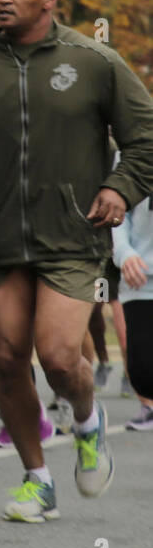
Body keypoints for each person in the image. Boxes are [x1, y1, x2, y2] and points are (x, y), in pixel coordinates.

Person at [0, 0, 153, 522]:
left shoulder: (94, 62)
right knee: (9, 359)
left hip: (73, 236)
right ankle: (37, 479)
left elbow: (146, 139)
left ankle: (88, 422)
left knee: (60, 357)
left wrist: (120, 187)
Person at [107, 162, 153, 430]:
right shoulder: (130, 151)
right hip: (130, 272)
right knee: (143, 371)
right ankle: (103, 363)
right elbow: (117, 214)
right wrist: (124, 253)